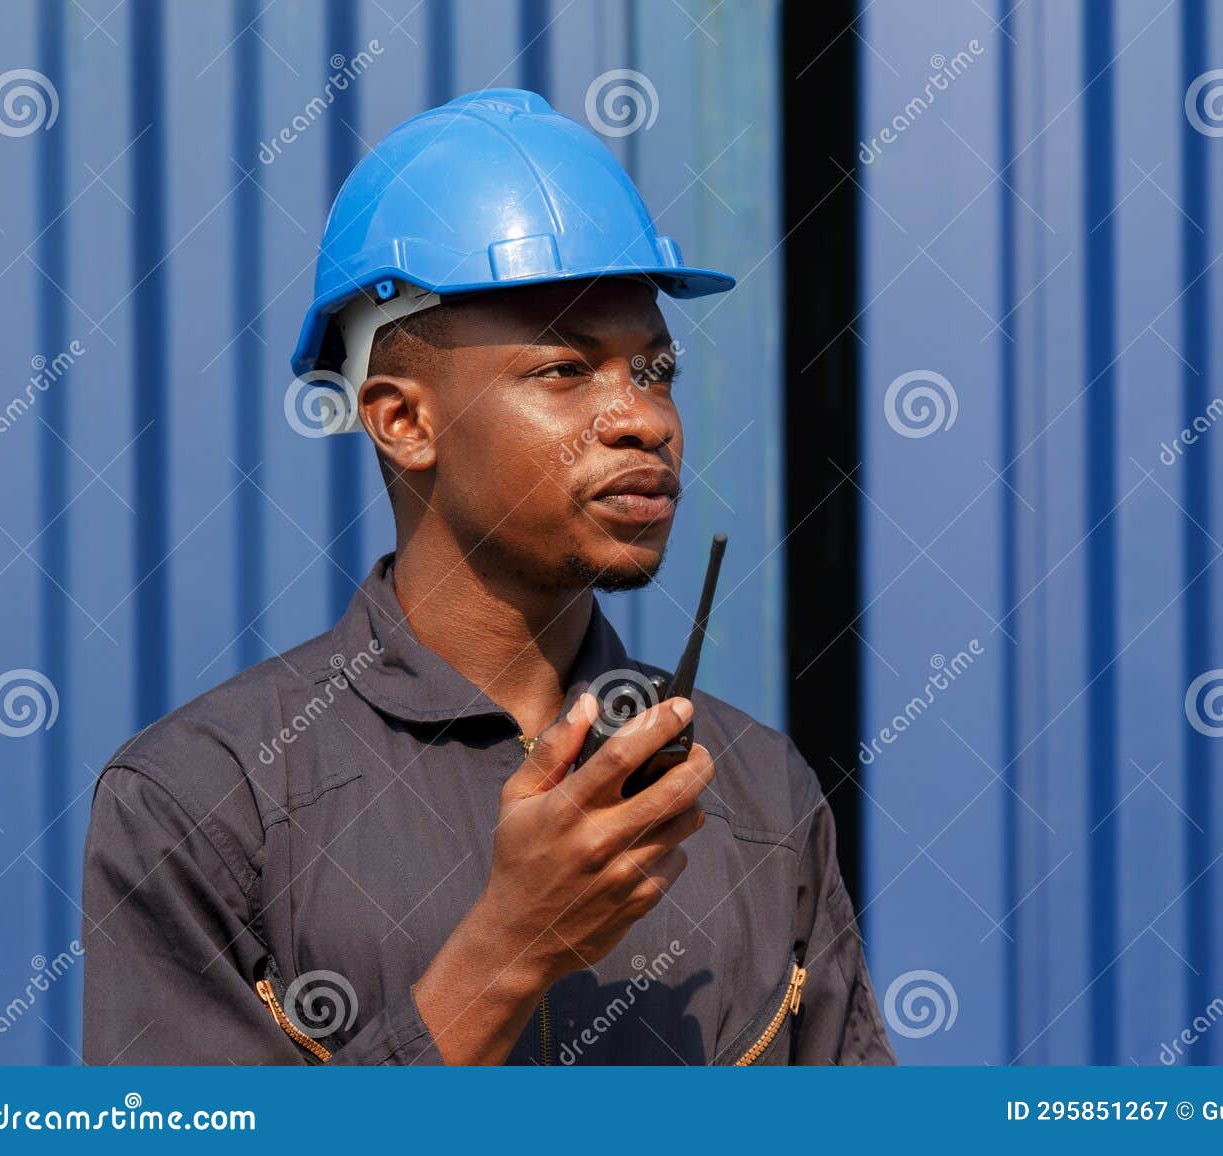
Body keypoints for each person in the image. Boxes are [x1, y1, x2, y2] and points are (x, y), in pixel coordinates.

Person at [80, 89, 894, 1065]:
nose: (643, 418)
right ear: (401, 420)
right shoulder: (203, 804)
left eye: (656, 369)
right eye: (564, 370)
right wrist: (508, 951)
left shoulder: (760, 796)